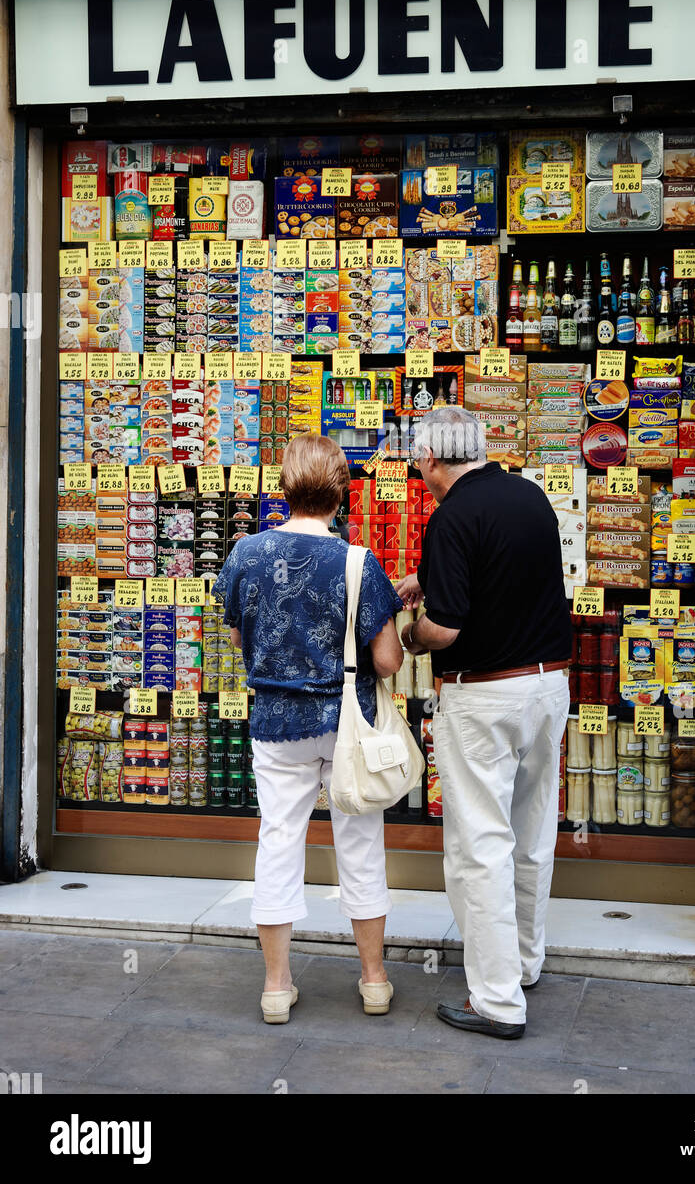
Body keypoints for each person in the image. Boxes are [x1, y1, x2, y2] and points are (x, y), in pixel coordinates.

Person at [213, 434, 405, 1024]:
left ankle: (276, 985)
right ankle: (373, 980)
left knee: (278, 842)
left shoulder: (245, 554)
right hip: (349, 723)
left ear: (284, 486)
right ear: (342, 492)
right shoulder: (357, 561)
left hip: (276, 721)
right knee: (361, 846)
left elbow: (241, 637)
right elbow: (389, 661)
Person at [397, 407, 572, 1040]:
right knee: (530, 832)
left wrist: (412, 637)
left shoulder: (450, 517)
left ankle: (496, 1000)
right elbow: (506, 578)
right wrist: (430, 580)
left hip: (485, 695)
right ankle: (524, 963)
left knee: (480, 845)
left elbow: (447, 628)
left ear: (432, 460)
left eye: (419, 461)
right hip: (548, 685)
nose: (419, 472)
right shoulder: (530, 497)